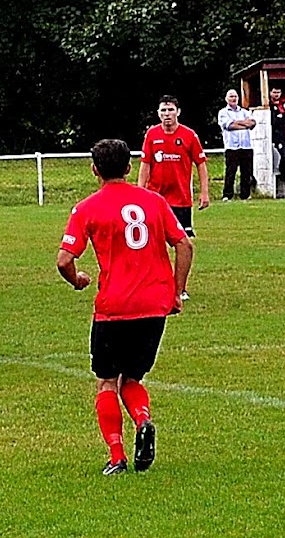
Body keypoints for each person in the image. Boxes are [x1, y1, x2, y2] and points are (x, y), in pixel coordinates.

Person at [57, 138, 194, 475]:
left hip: (114, 307)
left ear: (94, 170)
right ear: (130, 167)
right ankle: (143, 419)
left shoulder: (87, 207)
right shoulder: (155, 202)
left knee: (106, 382)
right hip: (153, 306)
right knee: (131, 379)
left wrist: (78, 280)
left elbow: (64, 260)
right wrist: (176, 292)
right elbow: (184, 245)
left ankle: (117, 456)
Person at [137, 95, 210, 236]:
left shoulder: (189, 135)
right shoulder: (151, 135)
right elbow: (145, 165)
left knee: (183, 240)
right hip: (156, 197)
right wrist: (140, 191)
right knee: (154, 237)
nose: (167, 114)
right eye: (163, 110)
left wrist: (204, 193)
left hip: (181, 199)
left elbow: (201, 165)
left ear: (178, 112)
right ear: (158, 113)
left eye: (171, 109)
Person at [216, 89, 257, 201]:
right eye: (231, 96)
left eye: (235, 96)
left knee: (246, 172)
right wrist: (244, 124)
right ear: (226, 98)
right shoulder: (223, 113)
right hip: (232, 147)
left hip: (246, 146)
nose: (233, 98)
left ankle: (245, 195)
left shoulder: (245, 111)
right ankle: (227, 195)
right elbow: (229, 125)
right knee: (231, 172)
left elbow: (252, 123)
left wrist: (237, 122)